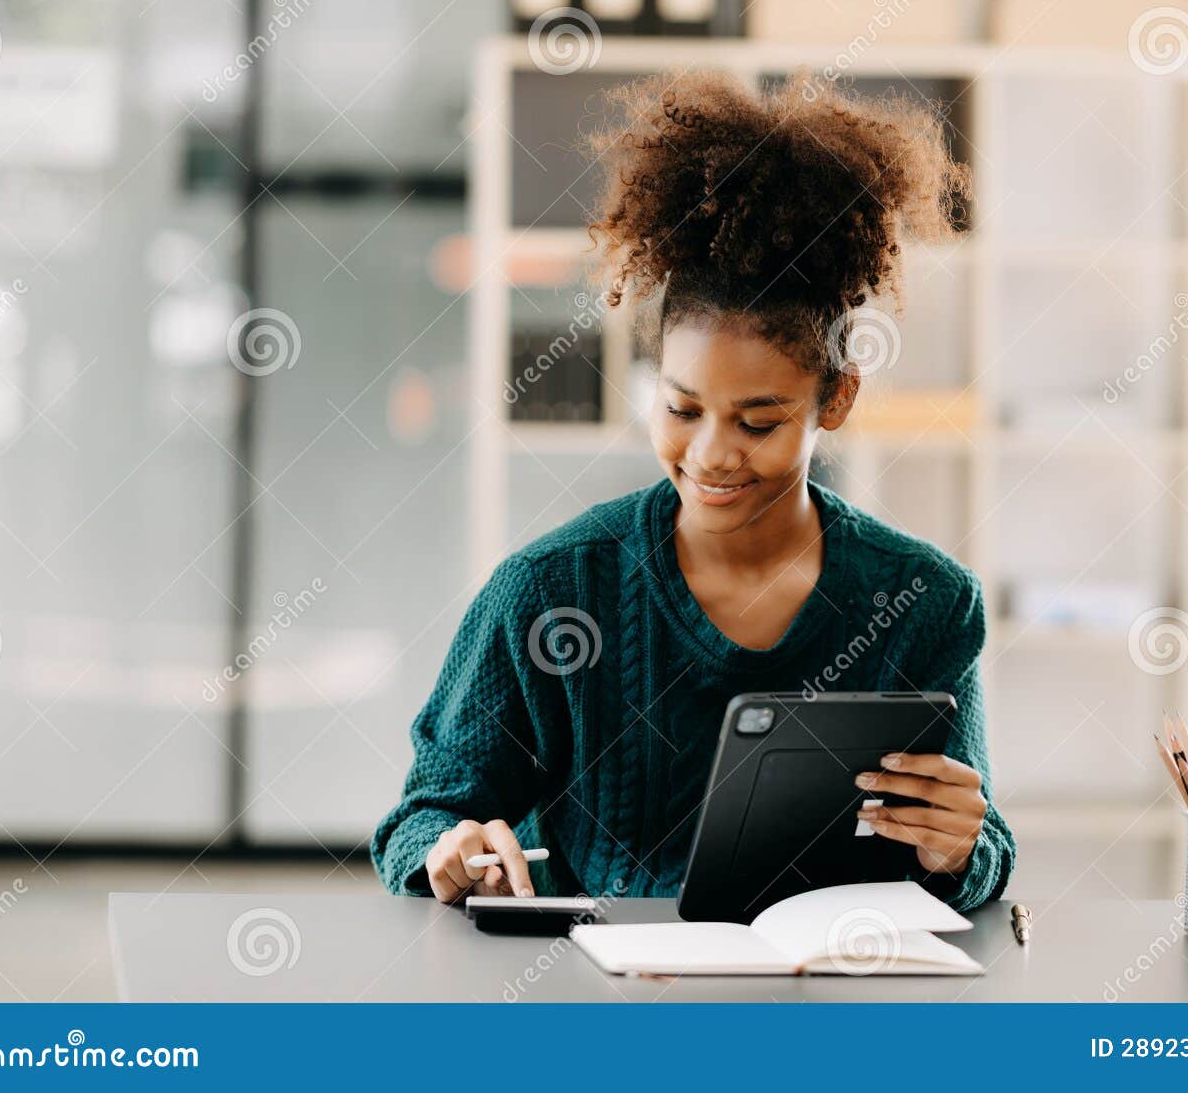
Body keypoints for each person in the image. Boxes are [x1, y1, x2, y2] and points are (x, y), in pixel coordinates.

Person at [371, 71, 1014, 910]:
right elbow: (421, 819)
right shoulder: (552, 590)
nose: (711, 455)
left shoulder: (925, 602)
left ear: (837, 399)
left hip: (834, 982)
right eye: (681, 409)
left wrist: (960, 849)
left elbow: (981, 848)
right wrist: (450, 849)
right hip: (601, 985)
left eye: (758, 421)